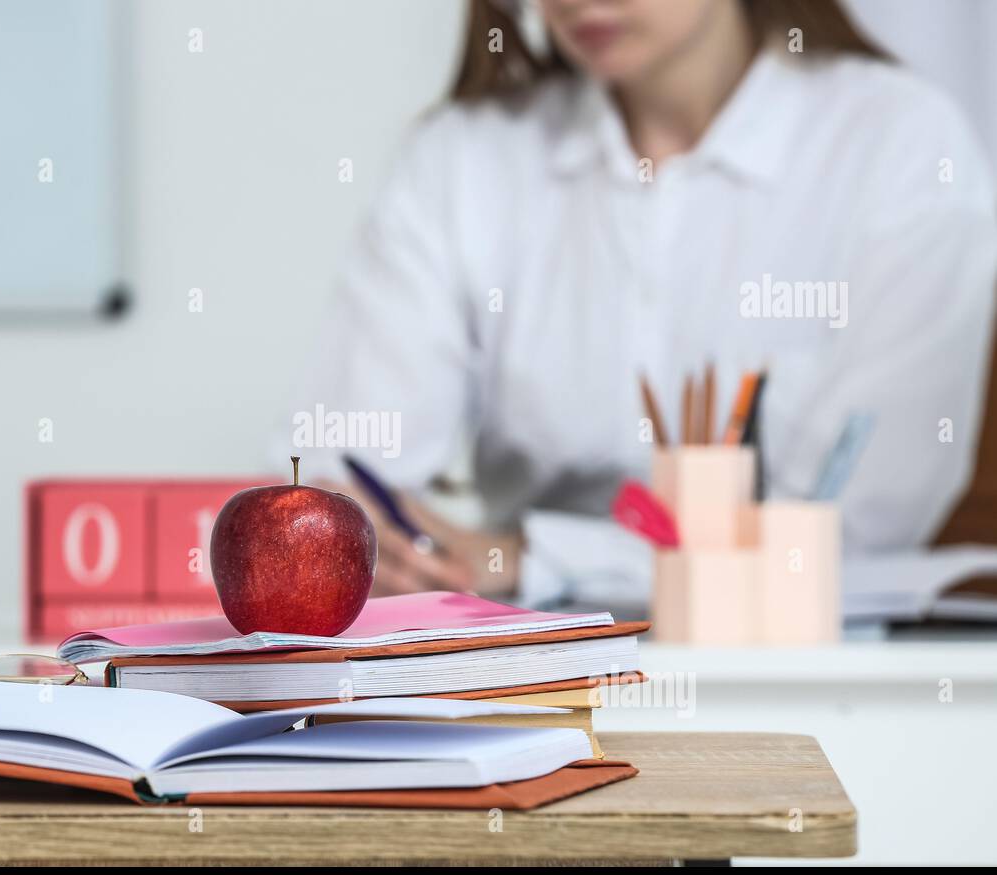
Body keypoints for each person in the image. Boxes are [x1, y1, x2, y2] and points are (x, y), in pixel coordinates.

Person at [290, 0, 997, 607]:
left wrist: (531, 557)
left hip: (815, 670)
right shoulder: (464, 158)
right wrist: (362, 536)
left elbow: (852, 534)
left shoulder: (899, 146)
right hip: (534, 668)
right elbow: (341, 460)